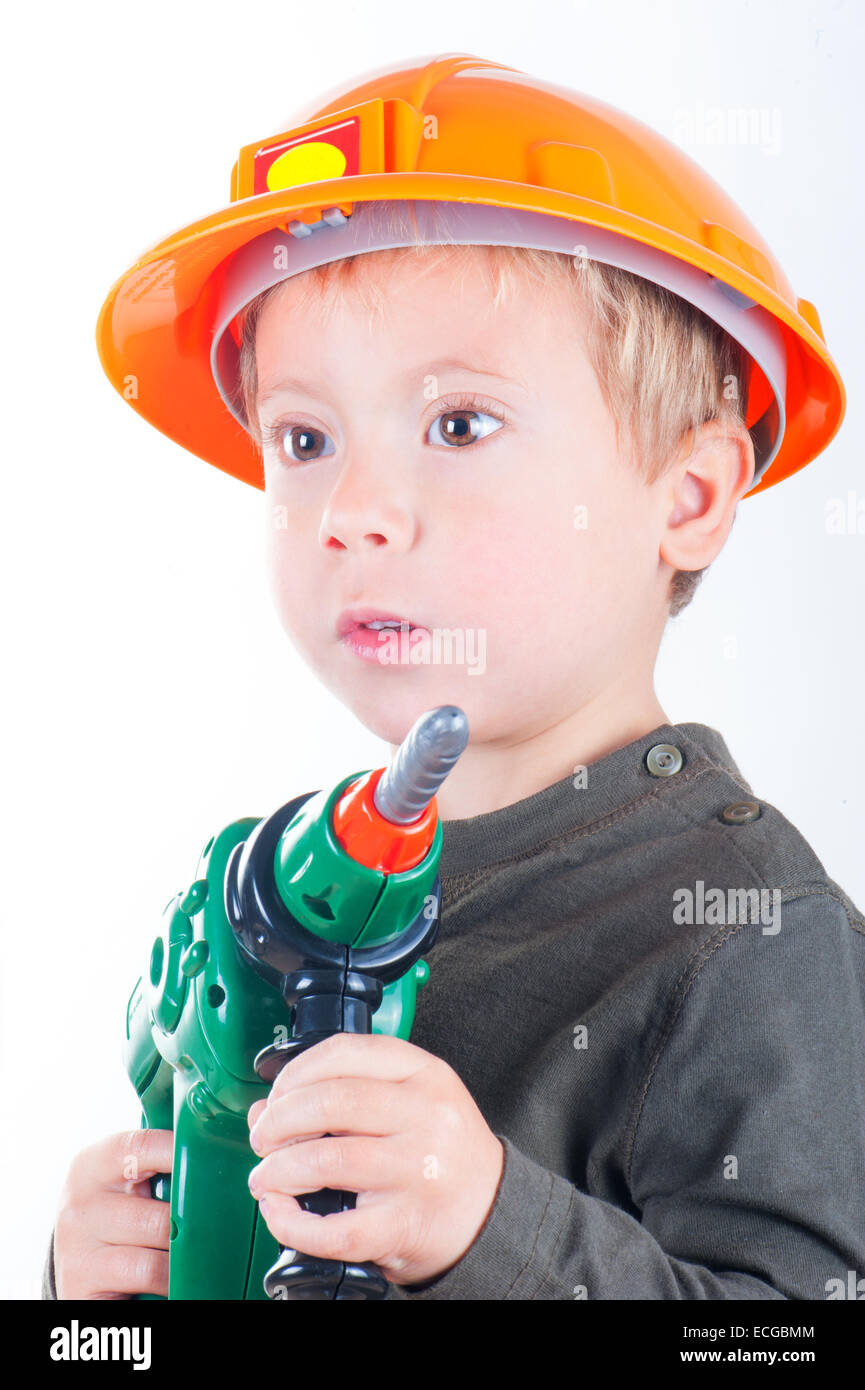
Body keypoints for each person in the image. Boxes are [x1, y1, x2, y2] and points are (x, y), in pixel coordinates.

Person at [44, 52, 863, 1300]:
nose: (353, 509)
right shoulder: (292, 889)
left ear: (686, 498)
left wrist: (496, 1229)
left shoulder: (747, 928)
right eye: (304, 439)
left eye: (458, 424)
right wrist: (94, 1296)